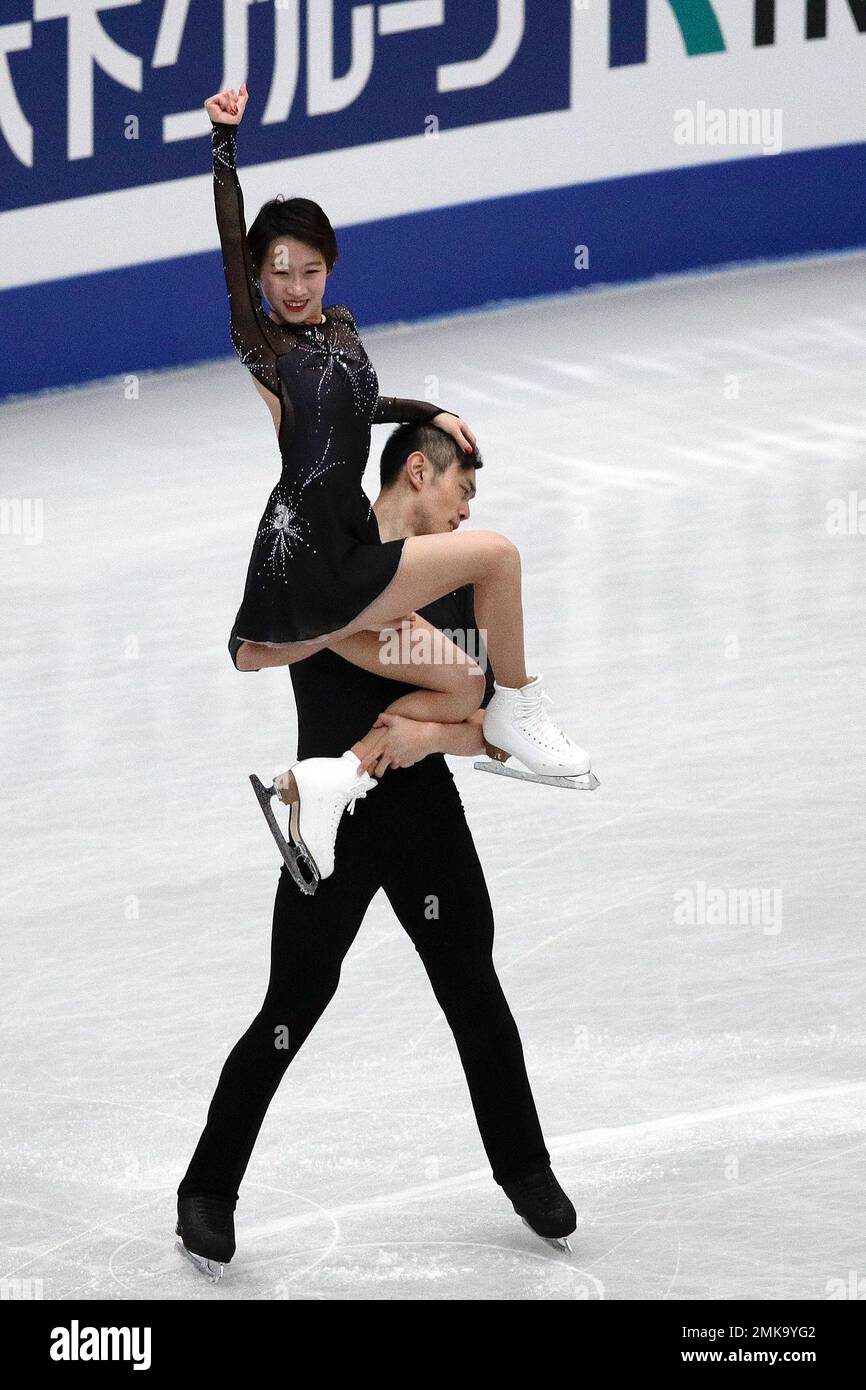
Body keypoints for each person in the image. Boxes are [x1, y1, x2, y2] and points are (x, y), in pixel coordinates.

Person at [175, 424, 578, 1280]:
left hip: (426, 816)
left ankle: (528, 1171)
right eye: (462, 488)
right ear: (418, 469)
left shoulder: (454, 584)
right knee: (292, 1004)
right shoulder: (332, 558)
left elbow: (493, 731)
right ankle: (206, 1192)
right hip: (336, 824)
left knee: (475, 993)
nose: (469, 509)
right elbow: (307, 426)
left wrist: (424, 738)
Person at [204, 82, 593, 886]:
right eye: (279, 271)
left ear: (329, 268)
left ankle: (324, 781)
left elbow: (361, 406)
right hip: (309, 552)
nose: (296, 285)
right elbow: (228, 242)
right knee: (498, 558)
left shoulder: (339, 329)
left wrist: (435, 410)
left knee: (459, 683)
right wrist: (224, 144)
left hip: (349, 545)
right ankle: (522, 713)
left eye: (311, 269)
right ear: (257, 274)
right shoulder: (261, 346)